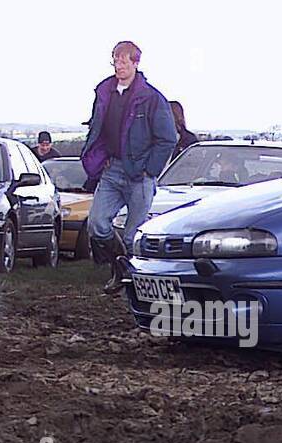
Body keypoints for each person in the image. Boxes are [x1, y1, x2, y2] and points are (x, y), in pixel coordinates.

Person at [82, 40, 177, 295]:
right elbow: (96, 129)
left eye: (124, 60)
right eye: (115, 59)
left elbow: (168, 138)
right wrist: (97, 157)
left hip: (140, 175)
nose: (119, 65)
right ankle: (120, 268)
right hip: (112, 170)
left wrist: (149, 170)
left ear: (136, 63)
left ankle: (134, 285)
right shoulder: (104, 92)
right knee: (97, 224)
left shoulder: (152, 98)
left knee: (133, 234)